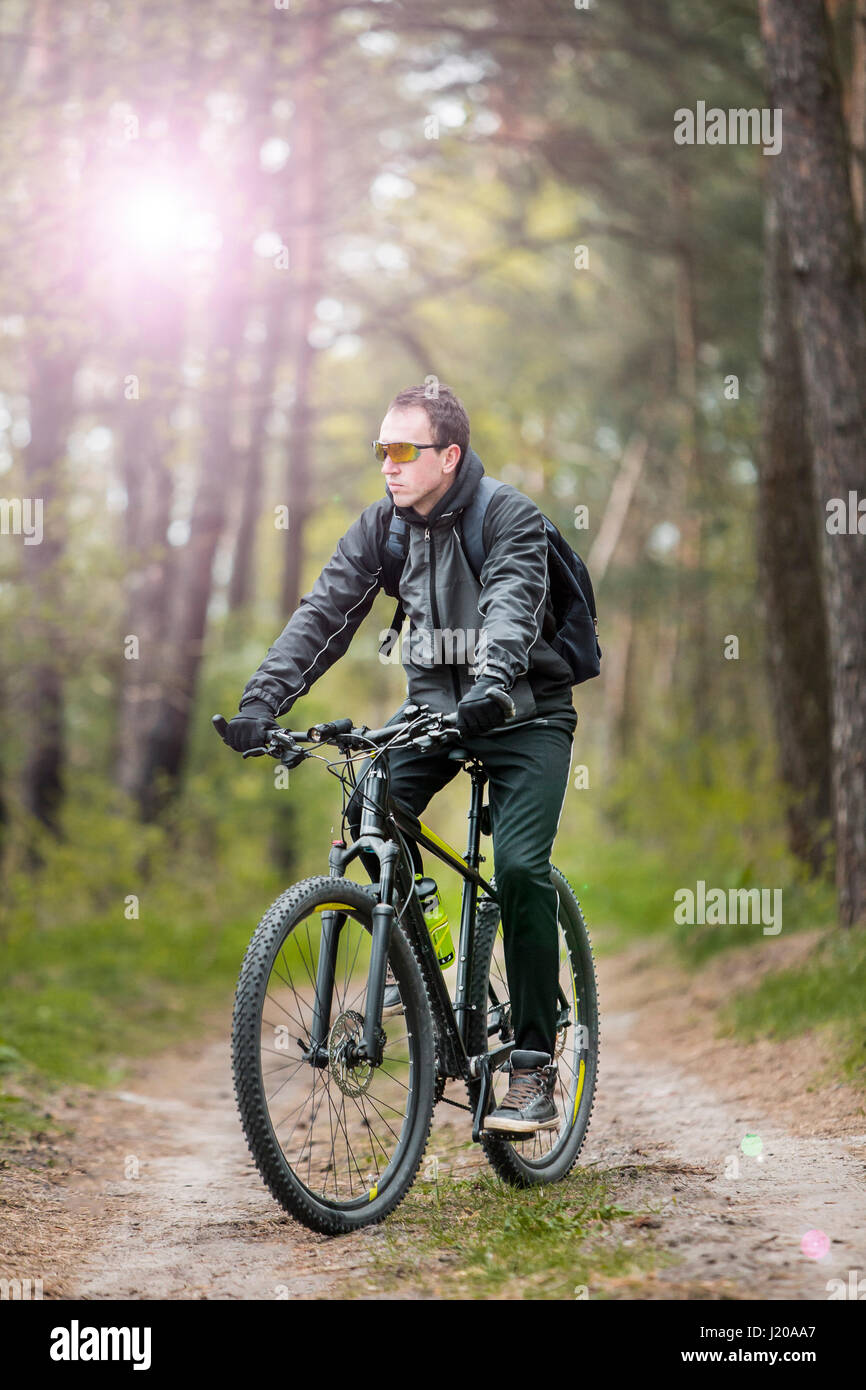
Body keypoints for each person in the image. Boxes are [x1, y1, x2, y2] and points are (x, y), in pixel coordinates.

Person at [224, 384, 578, 1134]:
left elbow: (514, 603)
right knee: (368, 804)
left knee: (518, 868)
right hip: (434, 713)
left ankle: (534, 1067)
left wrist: (492, 684)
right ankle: (424, 961)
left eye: (403, 450)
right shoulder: (381, 530)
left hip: (524, 712)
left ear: (449, 456)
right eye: (380, 449)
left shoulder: (508, 516)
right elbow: (324, 612)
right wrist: (263, 703)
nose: (387, 464)